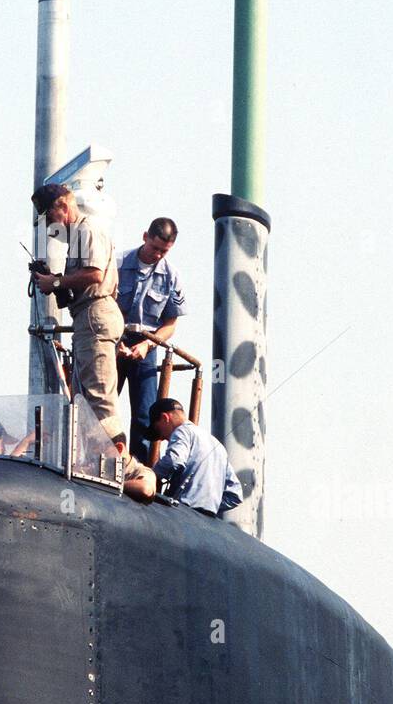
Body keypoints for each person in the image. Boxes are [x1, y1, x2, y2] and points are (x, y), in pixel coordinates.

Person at [30, 183, 124, 440]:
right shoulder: (80, 235)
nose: (50, 226)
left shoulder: (87, 230)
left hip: (95, 314)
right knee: (86, 398)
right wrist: (56, 281)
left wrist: (56, 282)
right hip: (89, 316)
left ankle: (117, 463)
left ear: (62, 206)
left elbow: (94, 274)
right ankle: (99, 460)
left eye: (50, 217)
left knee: (99, 399)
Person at [116, 217, 187, 463]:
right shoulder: (117, 263)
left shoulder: (172, 277)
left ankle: (139, 467)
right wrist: (115, 341)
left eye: (164, 251)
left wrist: (148, 345)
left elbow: (170, 325)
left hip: (147, 345)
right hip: (113, 339)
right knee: (97, 405)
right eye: (155, 248)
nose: (158, 255)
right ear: (145, 236)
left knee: (146, 414)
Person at [144, 398, 243, 517]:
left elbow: (174, 461)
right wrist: (209, 505)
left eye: (159, 430)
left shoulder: (182, 431)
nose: (163, 438)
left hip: (183, 512)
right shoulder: (218, 445)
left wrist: (149, 475)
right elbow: (235, 495)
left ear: (165, 418)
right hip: (206, 520)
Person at [111, 433, 157, 503]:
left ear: (119, 448)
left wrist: (112, 484)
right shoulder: (105, 469)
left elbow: (145, 488)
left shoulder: (142, 471)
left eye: (100, 448)